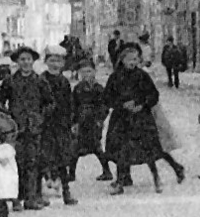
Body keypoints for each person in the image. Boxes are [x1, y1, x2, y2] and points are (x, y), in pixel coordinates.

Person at [103, 41, 168, 195]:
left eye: (135, 59)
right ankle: (121, 180)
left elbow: (153, 94)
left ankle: (156, 178)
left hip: (141, 118)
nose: (132, 62)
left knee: (147, 149)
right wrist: (121, 104)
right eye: (129, 59)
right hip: (121, 119)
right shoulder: (115, 77)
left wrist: (142, 104)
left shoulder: (143, 76)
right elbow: (107, 97)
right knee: (121, 149)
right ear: (122, 60)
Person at [0, 45, 51, 210]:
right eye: (22, 59)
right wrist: (8, 115)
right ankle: (17, 198)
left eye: (28, 59)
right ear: (17, 62)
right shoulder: (10, 81)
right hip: (15, 129)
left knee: (33, 162)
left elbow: (50, 102)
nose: (26, 62)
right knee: (16, 163)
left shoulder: (40, 81)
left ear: (33, 61)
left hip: (34, 128)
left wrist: (40, 116)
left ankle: (32, 197)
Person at [39, 45, 79, 206]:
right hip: (45, 125)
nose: (55, 64)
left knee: (63, 159)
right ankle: (40, 192)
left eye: (58, 61)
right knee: (44, 158)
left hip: (61, 124)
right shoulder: (41, 80)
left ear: (63, 63)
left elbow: (70, 103)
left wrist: (72, 121)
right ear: (46, 62)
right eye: (52, 60)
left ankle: (66, 192)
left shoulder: (64, 81)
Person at [71, 58, 111, 181]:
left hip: (94, 122)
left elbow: (104, 106)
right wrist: (74, 122)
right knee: (75, 148)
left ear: (94, 72)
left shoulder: (99, 89)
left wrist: (100, 119)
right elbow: (73, 105)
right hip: (81, 121)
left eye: (88, 71)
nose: (86, 75)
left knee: (97, 147)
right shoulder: (77, 89)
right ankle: (71, 174)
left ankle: (107, 171)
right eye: (83, 72)